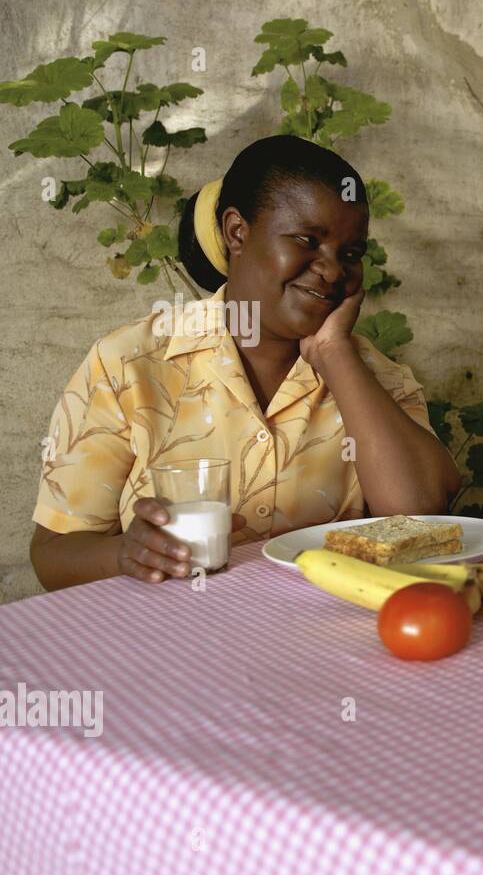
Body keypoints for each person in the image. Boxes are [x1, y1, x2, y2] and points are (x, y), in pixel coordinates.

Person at [30, 135, 459, 590]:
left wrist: (336, 356)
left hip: (324, 639)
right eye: (307, 240)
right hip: (165, 645)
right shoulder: (128, 366)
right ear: (237, 231)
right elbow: (53, 557)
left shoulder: (376, 379)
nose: (333, 270)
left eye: (350, 254)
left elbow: (423, 519)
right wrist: (124, 553)